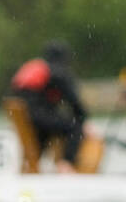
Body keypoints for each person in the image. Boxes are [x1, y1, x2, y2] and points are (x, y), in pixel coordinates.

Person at [10, 41, 88, 171]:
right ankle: (66, 165)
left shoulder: (33, 67)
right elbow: (74, 101)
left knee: (51, 125)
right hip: (37, 119)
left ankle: (31, 168)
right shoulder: (57, 72)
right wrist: (83, 119)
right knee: (74, 127)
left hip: (27, 120)